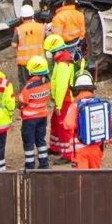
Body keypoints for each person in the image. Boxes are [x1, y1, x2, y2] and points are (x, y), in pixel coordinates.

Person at [62, 73, 109, 170]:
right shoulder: (99, 103)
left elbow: (68, 124)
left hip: (80, 150)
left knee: (81, 181)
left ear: (77, 90)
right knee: (95, 178)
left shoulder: (75, 106)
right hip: (97, 148)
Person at [45, 34, 76, 164]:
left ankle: (67, 155)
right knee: (55, 123)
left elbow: (62, 86)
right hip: (62, 99)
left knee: (64, 126)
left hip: (65, 100)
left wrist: (58, 105)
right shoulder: (61, 60)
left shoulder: (63, 64)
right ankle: (55, 147)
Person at [18, 56, 52, 170]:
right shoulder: (47, 84)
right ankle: (44, 164)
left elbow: (22, 102)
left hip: (29, 119)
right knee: (40, 140)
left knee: (28, 142)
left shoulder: (28, 87)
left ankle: (29, 165)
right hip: (42, 116)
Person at [12, 5, 45, 85]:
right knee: (38, 82)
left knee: (25, 83)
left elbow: (13, 45)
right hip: (39, 60)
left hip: (24, 62)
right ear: (33, 16)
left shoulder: (19, 29)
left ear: (22, 18)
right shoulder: (41, 27)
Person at [49, 0, 86, 68]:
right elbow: (82, 31)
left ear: (63, 3)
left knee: (62, 64)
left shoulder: (59, 17)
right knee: (72, 61)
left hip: (64, 45)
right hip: (75, 42)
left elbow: (56, 37)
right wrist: (79, 42)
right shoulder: (80, 14)